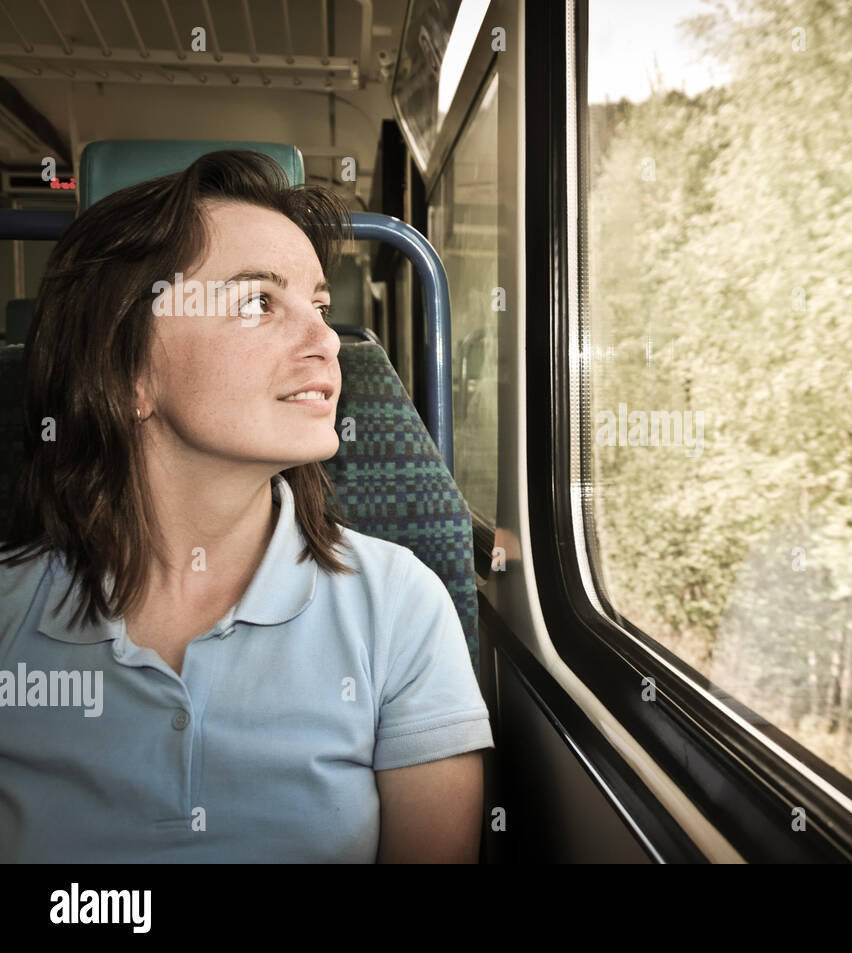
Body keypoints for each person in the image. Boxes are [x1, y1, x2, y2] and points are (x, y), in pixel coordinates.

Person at [0, 150, 493, 862]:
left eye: (320, 307)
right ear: (127, 368)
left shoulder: (399, 608)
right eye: (258, 302)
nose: (325, 341)